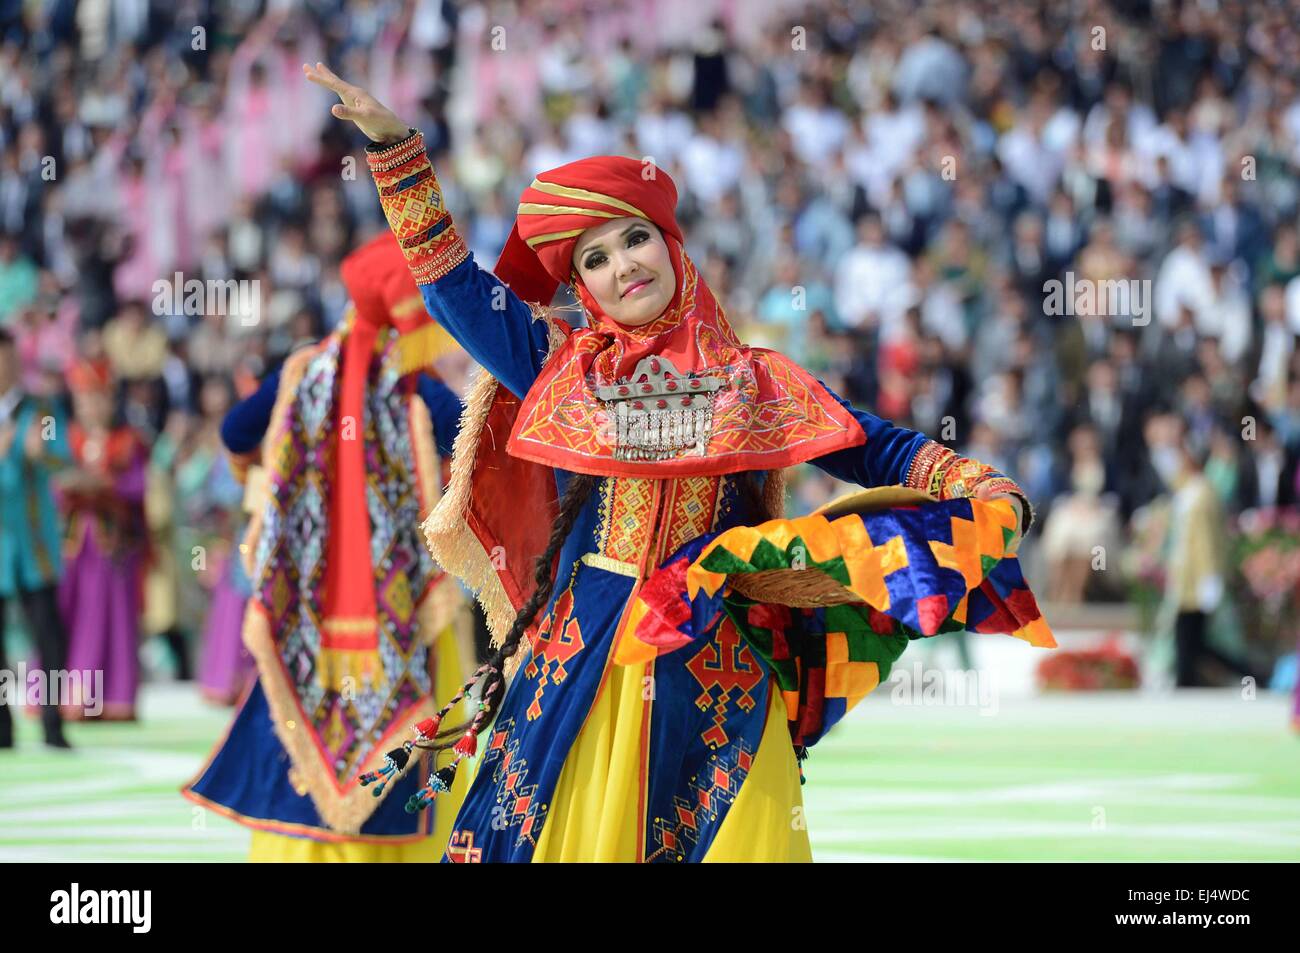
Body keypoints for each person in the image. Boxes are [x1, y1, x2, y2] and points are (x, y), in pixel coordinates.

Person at [308, 62, 1039, 862]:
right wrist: (395, 149)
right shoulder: (563, 374)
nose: (623, 266)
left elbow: (874, 445)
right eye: (594, 259)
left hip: (710, 657)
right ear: (581, 286)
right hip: (582, 654)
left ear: (670, 243)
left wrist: (975, 485)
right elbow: (452, 287)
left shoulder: (754, 381)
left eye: (634, 238)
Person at [183, 231, 475, 861]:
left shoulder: (302, 371)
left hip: (307, 610)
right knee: (418, 740)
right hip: (401, 614)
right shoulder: (415, 391)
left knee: (298, 720)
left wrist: (274, 473)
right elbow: (473, 450)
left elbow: (235, 431)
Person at [58, 358, 150, 721]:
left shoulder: (128, 442)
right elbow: (52, 486)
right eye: (83, 398)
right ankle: (67, 697)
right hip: (73, 545)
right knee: (70, 615)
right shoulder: (67, 438)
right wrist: (71, 489)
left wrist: (104, 487)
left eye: (97, 397)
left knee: (111, 618)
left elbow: (137, 486)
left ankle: (112, 697)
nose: (90, 405)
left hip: (113, 544)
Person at [0, 328, 71, 748]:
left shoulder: (40, 410)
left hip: (35, 545)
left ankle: (53, 725)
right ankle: (2, 729)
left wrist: (37, 449)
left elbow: (58, 451)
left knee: (49, 635)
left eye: (8, 359)